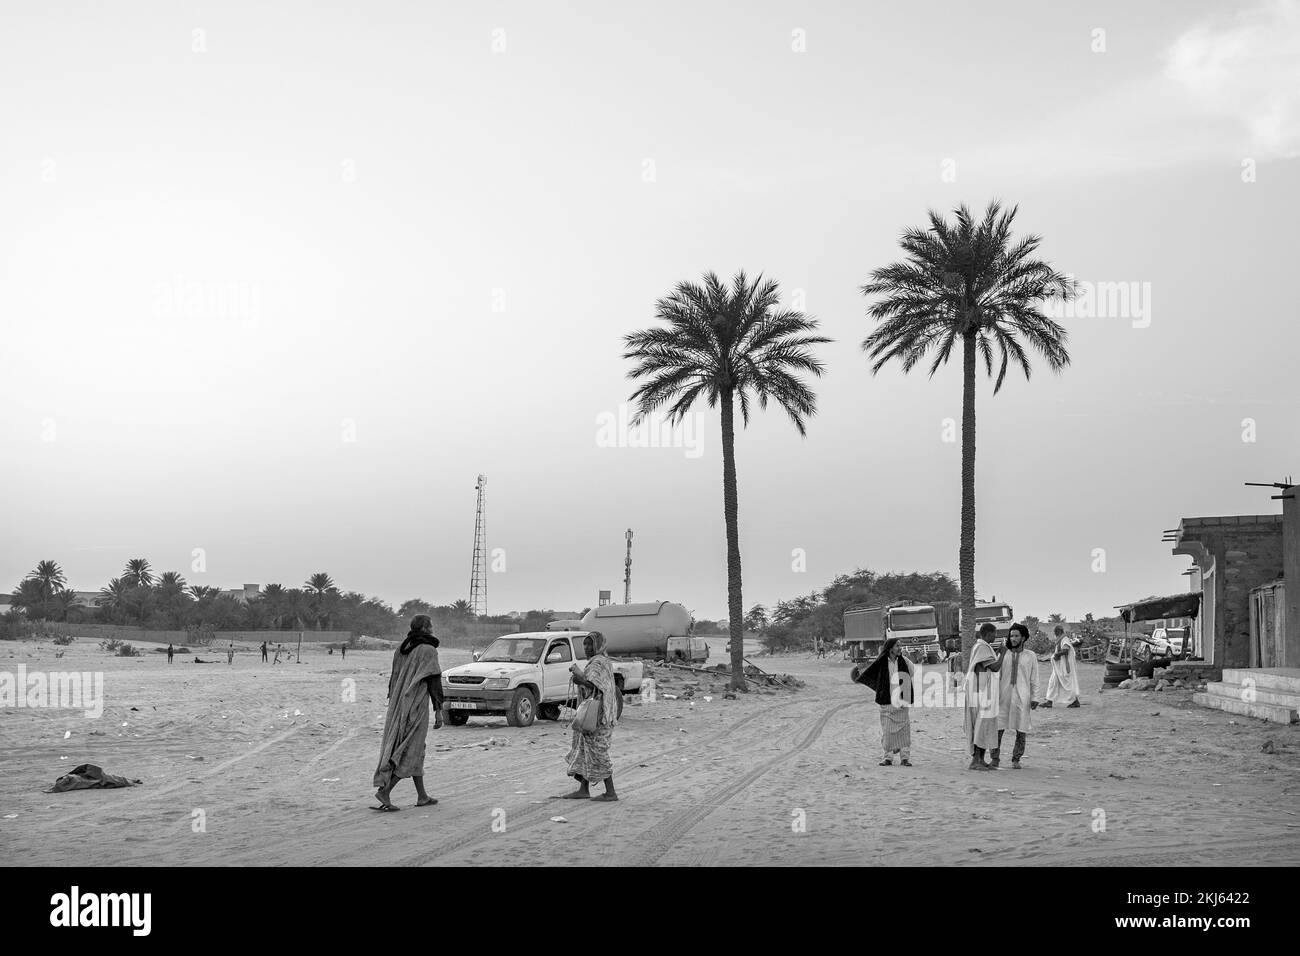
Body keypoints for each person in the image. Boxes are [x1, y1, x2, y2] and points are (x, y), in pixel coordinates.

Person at [372, 614, 443, 811]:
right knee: (411, 749)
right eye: (431, 625)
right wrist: (439, 711)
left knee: (416, 748)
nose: (433, 628)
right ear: (426, 628)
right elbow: (433, 682)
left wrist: (394, 703)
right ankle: (385, 792)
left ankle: (422, 796)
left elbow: (393, 679)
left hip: (398, 705)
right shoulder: (428, 650)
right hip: (416, 705)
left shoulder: (401, 648)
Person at [562, 631, 619, 801]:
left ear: (598, 645)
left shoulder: (599, 663)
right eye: (585, 644)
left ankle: (610, 792)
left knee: (597, 751)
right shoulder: (599, 662)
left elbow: (598, 688)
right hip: (593, 714)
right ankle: (583, 789)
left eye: (590, 644)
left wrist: (580, 680)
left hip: (599, 716)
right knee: (584, 750)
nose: (586, 648)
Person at [853, 638, 915, 766]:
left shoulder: (905, 661)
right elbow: (871, 673)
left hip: (901, 700)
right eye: (897, 646)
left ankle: (905, 758)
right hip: (886, 700)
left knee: (904, 730)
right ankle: (888, 757)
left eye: (900, 646)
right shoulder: (881, 662)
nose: (900, 648)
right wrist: (880, 688)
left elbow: (912, 671)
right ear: (890, 648)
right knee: (887, 731)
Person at [991, 623, 1039, 769]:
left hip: (1022, 697)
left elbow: (1034, 678)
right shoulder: (1003, 653)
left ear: (1023, 638)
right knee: (998, 728)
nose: (1013, 638)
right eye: (1011, 635)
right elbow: (995, 675)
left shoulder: (1030, 656)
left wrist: (1035, 697)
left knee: (1021, 728)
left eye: (1016, 635)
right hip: (1003, 696)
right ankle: (994, 758)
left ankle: (1016, 759)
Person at [963, 624, 1002, 771]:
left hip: (981, 690)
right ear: (987, 634)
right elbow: (995, 667)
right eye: (994, 633)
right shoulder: (982, 647)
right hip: (980, 692)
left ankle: (980, 759)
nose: (995, 636)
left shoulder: (982, 647)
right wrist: (1002, 653)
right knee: (981, 724)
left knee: (983, 724)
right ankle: (975, 761)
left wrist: (996, 652)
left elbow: (987, 664)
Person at [1043, 626, 1081, 708]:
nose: (1055, 634)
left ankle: (1075, 701)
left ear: (1059, 631)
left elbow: (1065, 650)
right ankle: (1049, 701)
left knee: (1068, 684)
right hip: (1058, 666)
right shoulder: (1060, 640)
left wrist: (1056, 654)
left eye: (1055, 632)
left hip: (1065, 667)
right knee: (1053, 682)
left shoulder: (1065, 639)